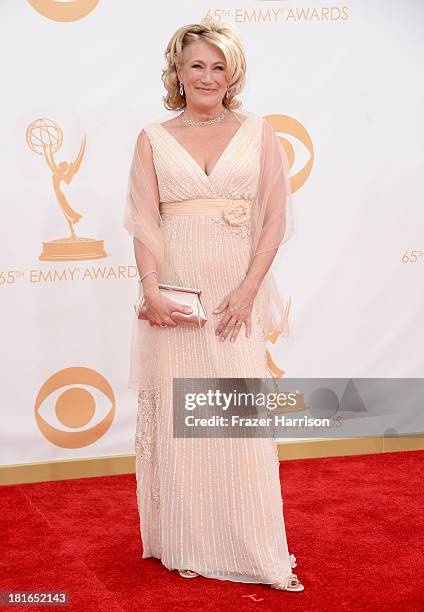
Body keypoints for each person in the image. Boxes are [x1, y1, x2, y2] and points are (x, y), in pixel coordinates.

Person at [123, 17, 303, 592]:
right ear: (177, 69)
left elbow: (275, 218)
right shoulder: (152, 136)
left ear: (234, 74)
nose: (208, 76)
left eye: (219, 66)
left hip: (235, 296)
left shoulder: (259, 133)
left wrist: (249, 290)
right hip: (177, 297)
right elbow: (142, 221)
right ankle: (183, 537)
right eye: (196, 64)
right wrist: (150, 291)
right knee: (181, 419)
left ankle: (249, 544)